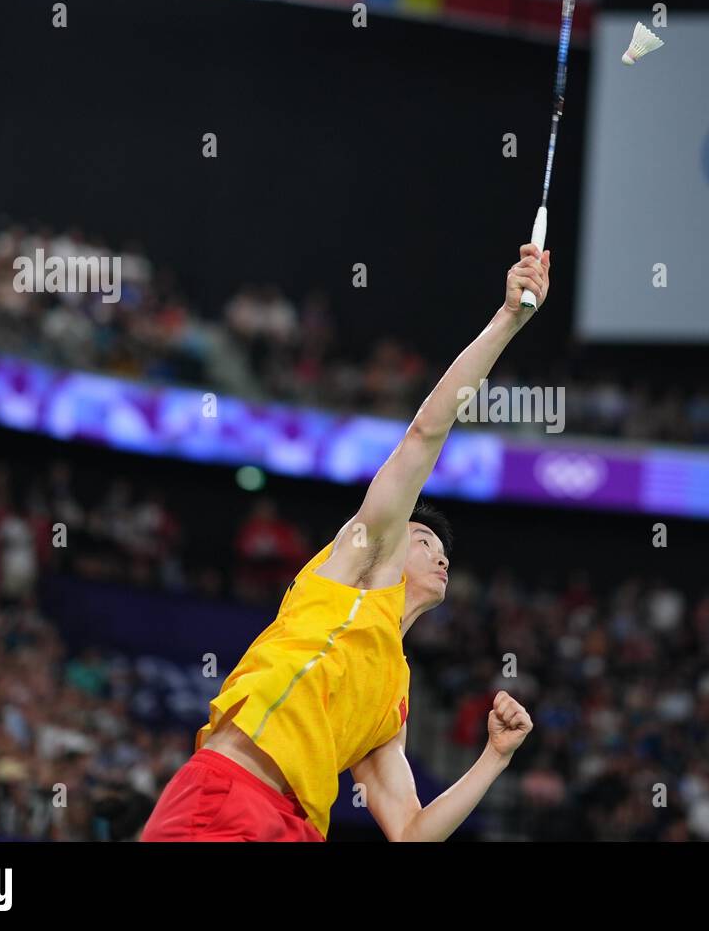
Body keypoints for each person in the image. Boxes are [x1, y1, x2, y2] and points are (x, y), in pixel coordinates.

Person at [141, 244, 551, 841]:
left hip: (297, 828)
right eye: (422, 537)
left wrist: (495, 757)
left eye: (445, 550)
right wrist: (508, 319)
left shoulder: (394, 696)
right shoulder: (361, 567)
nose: (439, 552)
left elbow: (411, 833)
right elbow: (423, 435)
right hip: (232, 794)